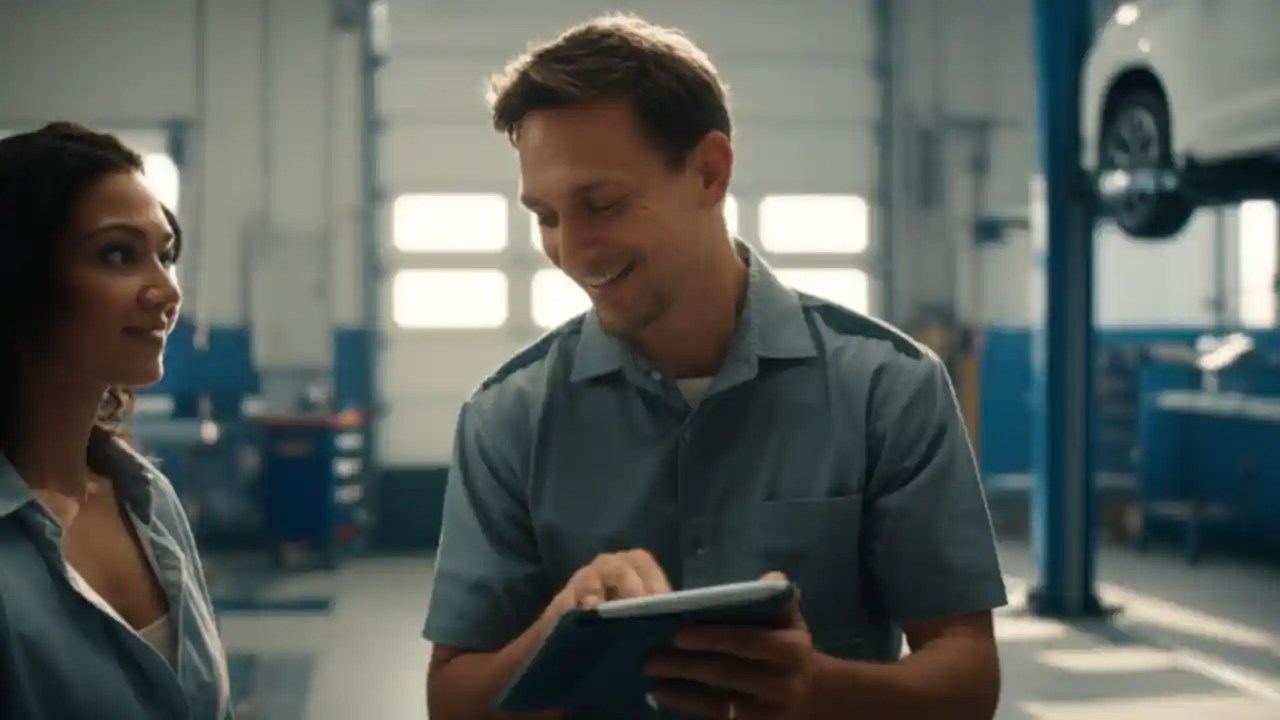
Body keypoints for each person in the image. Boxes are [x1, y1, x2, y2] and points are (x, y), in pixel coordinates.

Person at [424, 13, 1006, 720]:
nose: (572, 251)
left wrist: (818, 691)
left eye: (601, 204)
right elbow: (451, 700)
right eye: (546, 216)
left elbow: (969, 675)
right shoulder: (505, 419)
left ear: (709, 170)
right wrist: (561, 623)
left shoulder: (890, 389)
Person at [0, 123, 232, 718]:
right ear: (20, 278)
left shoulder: (147, 498)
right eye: (117, 254)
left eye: (166, 255)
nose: (165, 290)